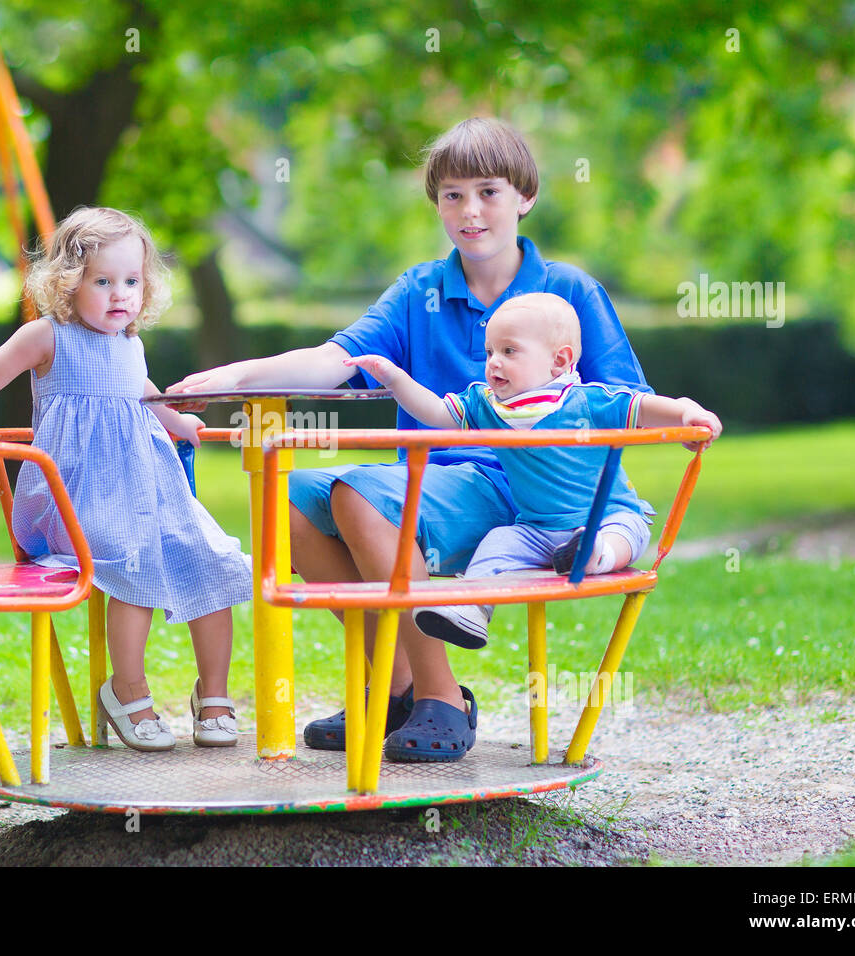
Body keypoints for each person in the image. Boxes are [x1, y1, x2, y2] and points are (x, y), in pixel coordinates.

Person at [168, 117, 653, 763]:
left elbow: (624, 401)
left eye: (488, 191)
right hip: (440, 483)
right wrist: (232, 376)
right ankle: (395, 685)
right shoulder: (421, 290)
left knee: (358, 493)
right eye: (452, 195)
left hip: (536, 495)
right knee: (284, 501)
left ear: (525, 197)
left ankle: (441, 695)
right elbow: (335, 359)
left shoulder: (567, 290)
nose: (470, 210)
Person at [0, 207, 253, 753]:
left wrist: (179, 422)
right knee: (130, 559)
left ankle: (214, 694)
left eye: (131, 281)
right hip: (75, 499)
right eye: (103, 281)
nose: (120, 295)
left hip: (147, 492)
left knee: (210, 556)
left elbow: (143, 394)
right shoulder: (48, 336)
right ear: (67, 282)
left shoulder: (130, 345)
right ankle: (127, 689)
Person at [344, 292, 722, 648]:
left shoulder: (585, 402)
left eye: (509, 351)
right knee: (497, 544)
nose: (494, 362)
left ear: (559, 361)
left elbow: (644, 406)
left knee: (625, 532)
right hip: (536, 528)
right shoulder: (487, 406)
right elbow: (436, 413)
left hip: (605, 517)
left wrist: (688, 412)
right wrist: (395, 378)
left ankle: (593, 555)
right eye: (490, 351)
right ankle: (471, 608)